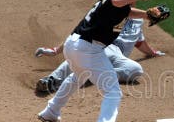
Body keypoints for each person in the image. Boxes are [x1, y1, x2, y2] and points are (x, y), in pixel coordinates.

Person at [37, 0, 153, 122]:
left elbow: (125, 10)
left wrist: (146, 15)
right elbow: (119, 0)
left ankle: (51, 111)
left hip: (73, 45)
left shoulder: (114, 2)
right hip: (88, 49)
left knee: (77, 77)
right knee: (113, 91)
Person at [34, 16, 165, 95]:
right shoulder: (109, 14)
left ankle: (96, 76)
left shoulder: (138, 20)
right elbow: (81, 33)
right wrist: (56, 50)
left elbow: (139, 42)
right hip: (102, 48)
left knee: (136, 70)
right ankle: (51, 81)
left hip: (119, 56)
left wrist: (152, 53)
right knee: (81, 57)